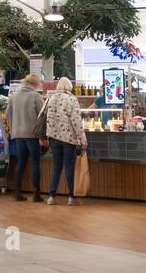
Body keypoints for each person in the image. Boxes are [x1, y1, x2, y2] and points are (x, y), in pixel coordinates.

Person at [44, 77, 89, 205]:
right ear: (69, 86)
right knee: (70, 167)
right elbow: (76, 122)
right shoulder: (71, 99)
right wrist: (83, 139)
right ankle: (71, 197)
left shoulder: (51, 98)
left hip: (53, 138)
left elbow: (47, 118)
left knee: (57, 167)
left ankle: (51, 196)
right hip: (68, 139)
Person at [7, 73, 46, 202]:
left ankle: (17, 192)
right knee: (35, 163)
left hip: (18, 134)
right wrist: (42, 134)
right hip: (32, 134)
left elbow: (8, 114)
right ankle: (36, 193)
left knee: (21, 162)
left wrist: (13, 129)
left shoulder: (14, 97)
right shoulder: (35, 96)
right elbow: (42, 114)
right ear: (34, 84)